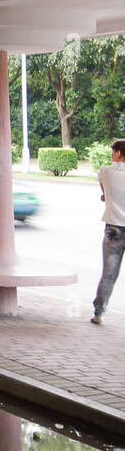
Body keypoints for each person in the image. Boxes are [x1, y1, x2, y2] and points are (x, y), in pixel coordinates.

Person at [91, 139, 125, 324]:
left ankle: (99, 313)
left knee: (109, 273)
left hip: (114, 229)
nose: (111, 155)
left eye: (113, 152)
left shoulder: (106, 171)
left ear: (119, 153)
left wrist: (108, 196)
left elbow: (104, 193)